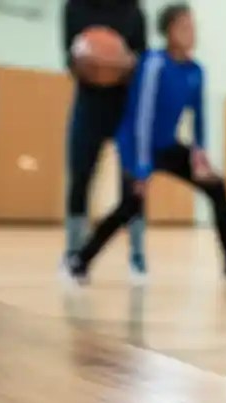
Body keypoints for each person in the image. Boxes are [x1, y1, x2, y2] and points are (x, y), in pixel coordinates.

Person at [65, 5, 226, 283]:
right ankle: (81, 260)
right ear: (169, 32)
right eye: (184, 27)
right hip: (137, 145)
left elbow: (199, 116)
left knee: (217, 187)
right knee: (130, 204)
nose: (192, 32)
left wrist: (199, 156)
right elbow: (141, 117)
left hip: (166, 145)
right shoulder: (153, 64)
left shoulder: (196, 70)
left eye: (193, 26)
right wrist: (140, 168)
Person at [63, 0, 147, 276]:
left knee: (132, 184)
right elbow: (70, 59)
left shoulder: (134, 11)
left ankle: (137, 254)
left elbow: (141, 61)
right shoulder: (75, 8)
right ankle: (73, 251)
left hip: (126, 107)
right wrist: (92, 65)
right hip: (88, 105)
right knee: (80, 177)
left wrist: (121, 63)